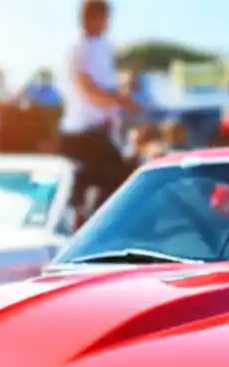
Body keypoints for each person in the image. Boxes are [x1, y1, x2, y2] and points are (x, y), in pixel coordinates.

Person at [58, 0, 136, 214]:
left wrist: (122, 89)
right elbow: (86, 86)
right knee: (116, 184)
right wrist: (118, 100)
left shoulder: (104, 47)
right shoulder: (77, 47)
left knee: (110, 188)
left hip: (102, 132)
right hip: (82, 132)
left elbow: (105, 82)